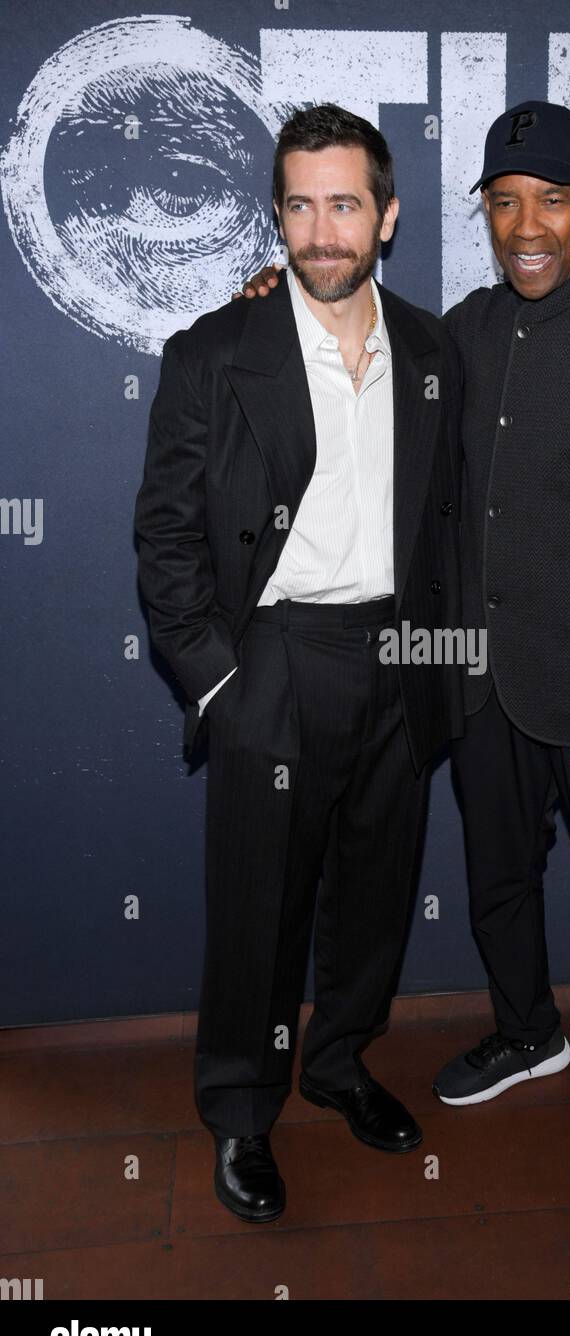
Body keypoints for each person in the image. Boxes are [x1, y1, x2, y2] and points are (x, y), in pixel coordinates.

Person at [238, 98, 570, 1192]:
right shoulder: (467, 330)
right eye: (505, 204)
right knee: (498, 881)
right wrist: (271, 300)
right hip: (488, 688)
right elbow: (351, 336)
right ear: (484, 215)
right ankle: (526, 1030)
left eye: (552, 200)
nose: (528, 225)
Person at [134, 104, 464, 1223]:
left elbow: (450, 522)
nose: (321, 232)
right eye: (299, 205)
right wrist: (221, 684)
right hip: (274, 659)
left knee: (374, 898)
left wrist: (444, 669)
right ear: (277, 214)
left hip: (399, 661)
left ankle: (338, 1064)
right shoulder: (216, 353)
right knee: (256, 914)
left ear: (387, 216)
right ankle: (240, 1111)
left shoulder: (431, 351)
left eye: (344, 204)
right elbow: (166, 539)